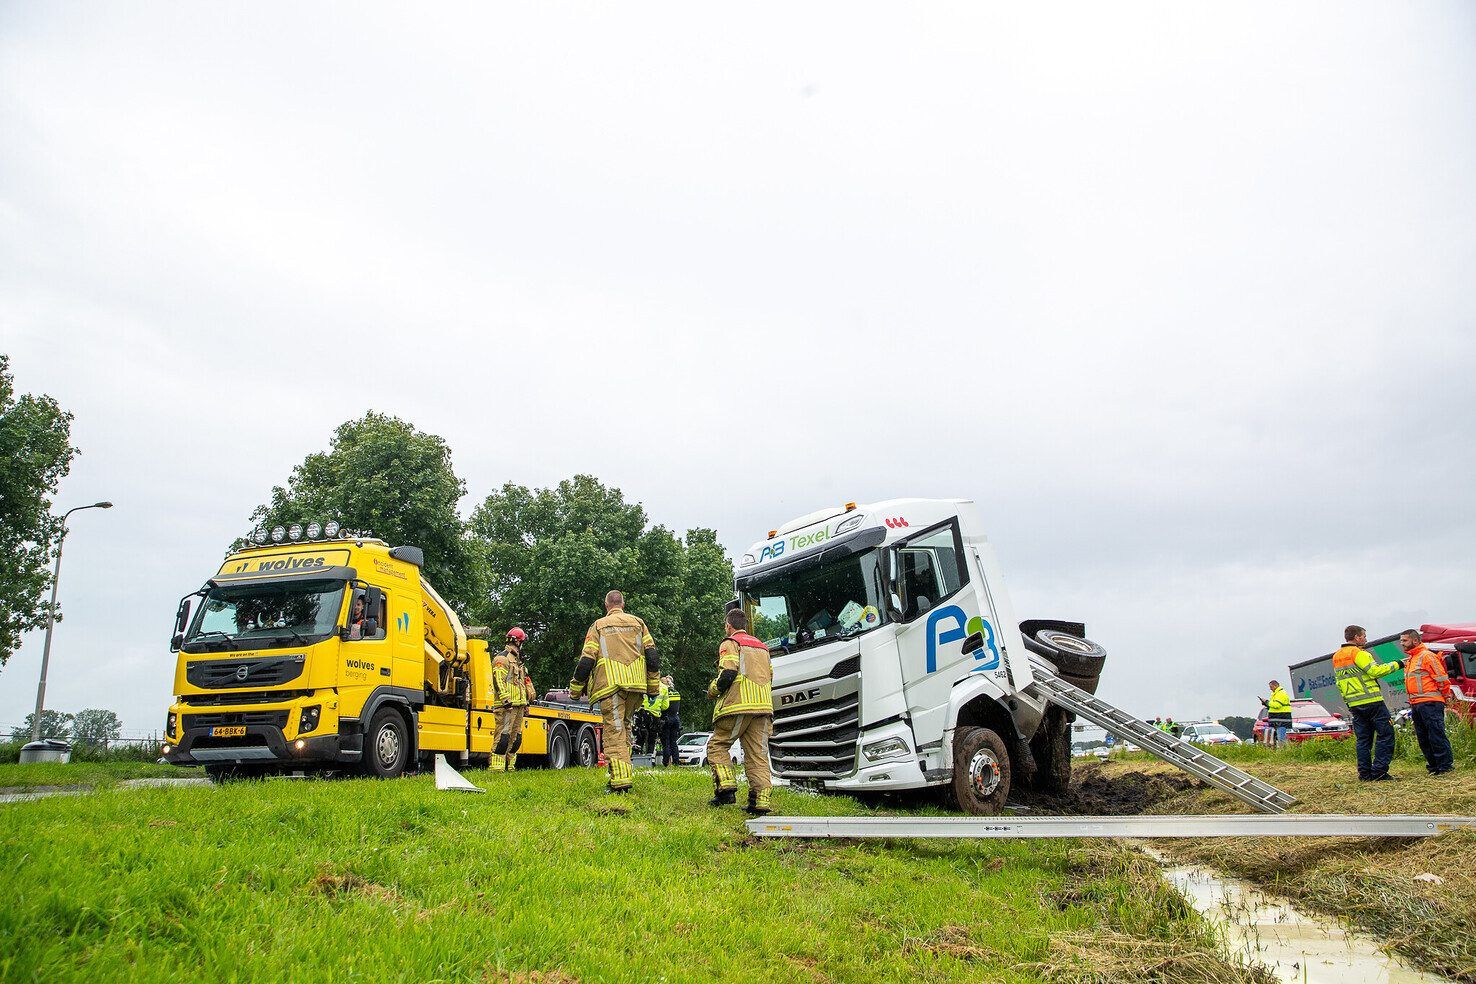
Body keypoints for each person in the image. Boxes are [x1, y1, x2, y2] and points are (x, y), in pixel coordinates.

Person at [569, 590, 660, 793]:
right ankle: (623, 774)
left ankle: (620, 783)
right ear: (623, 604)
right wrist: (653, 687)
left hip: (612, 686)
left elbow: (586, 661)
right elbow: (653, 657)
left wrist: (575, 690)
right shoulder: (639, 623)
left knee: (614, 733)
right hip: (636, 687)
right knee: (624, 730)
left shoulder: (599, 626)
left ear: (606, 605)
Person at [706, 609, 775, 815]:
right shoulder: (763, 647)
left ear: (728, 625)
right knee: (758, 755)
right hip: (763, 707)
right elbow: (770, 676)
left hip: (738, 705)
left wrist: (713, 689)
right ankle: (760, 803)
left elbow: (728, 672)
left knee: (718, 746)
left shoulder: (730, 643)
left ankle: (725, 789)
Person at [1334, 624, 1403, 781]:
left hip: (1354, 704)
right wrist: (1398, 664)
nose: (1366, 639)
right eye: (1364, 636)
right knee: (1386, 734)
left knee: (1363, 740)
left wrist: (1348, 702)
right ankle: (1379, 772)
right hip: (1373, 702)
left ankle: (1364, 774)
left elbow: (1339, 682)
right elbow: (1375, 671)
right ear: (1357, 637)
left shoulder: (1337, 656)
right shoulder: (1359, 653)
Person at [1400, 628, 1454, 775]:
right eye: (1401, 640)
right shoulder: (1412, 658)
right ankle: (1434, 766)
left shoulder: (1427, 656)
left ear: (1415, 640)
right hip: (1417, 703)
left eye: (1405, 640)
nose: (1402, 643)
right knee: (1423, 737)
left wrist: (1445, 696)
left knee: (1436, 734)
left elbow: (1442, 679)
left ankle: (1445, 767)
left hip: (1430, 702)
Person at [491, 627, 536, 771]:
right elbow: (498, 680)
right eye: (522, 642)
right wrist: (505, 701)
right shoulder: (502, 659)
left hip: (519, 705)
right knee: (503, 737)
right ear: (517, 641)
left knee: (516, 739)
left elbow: (523, 684)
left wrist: (527, 703)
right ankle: (497, 768)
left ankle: (510, 767)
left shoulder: (518, 662)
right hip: (507, 706)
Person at [659, 675, 683, 766]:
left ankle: (666, 763)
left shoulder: (664, 692)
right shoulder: (676, 692)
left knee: (666, 743)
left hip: (666, 718)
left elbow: (663, 706)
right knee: (673, 742)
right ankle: (676, 762)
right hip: (676, 719)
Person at [1260, 680, 1292, 746]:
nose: (1270, 689)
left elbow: (1277, 705)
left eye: (1271, 687)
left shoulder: (1281, 693)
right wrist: (1266, 704)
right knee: (1281, 738)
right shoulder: (1276, 694)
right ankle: (1285, 752)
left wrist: (1267, 702)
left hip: (1281, 720)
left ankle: (1283, 753)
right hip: (1278, 720)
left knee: (1281, 738)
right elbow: (1273, 707)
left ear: (1275, 686)